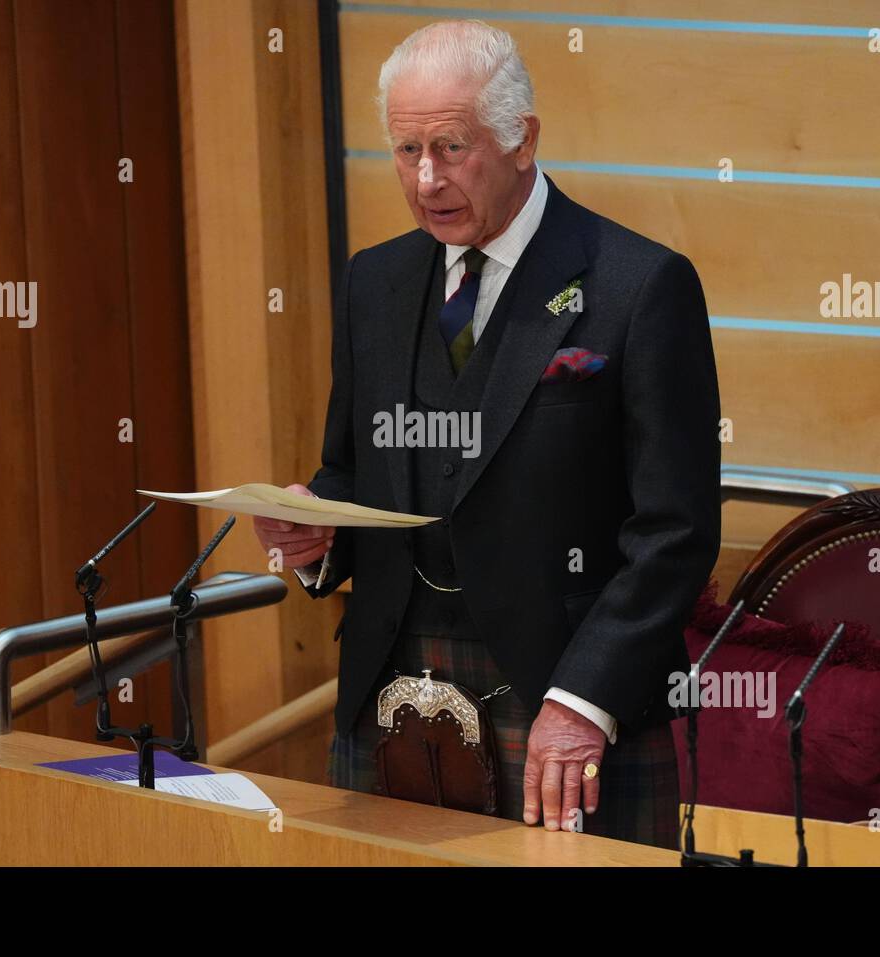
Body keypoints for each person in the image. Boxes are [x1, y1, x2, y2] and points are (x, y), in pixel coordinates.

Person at [253, 19, 720, 847]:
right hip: (387, 696)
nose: (426, 179)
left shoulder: (639, 286)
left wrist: (583, 703)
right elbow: (349, 471)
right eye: (405, 152)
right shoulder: (376, 281)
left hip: (563, 707)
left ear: (521, 139)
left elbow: (676, 533)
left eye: (450, 147)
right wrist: (317, 529)